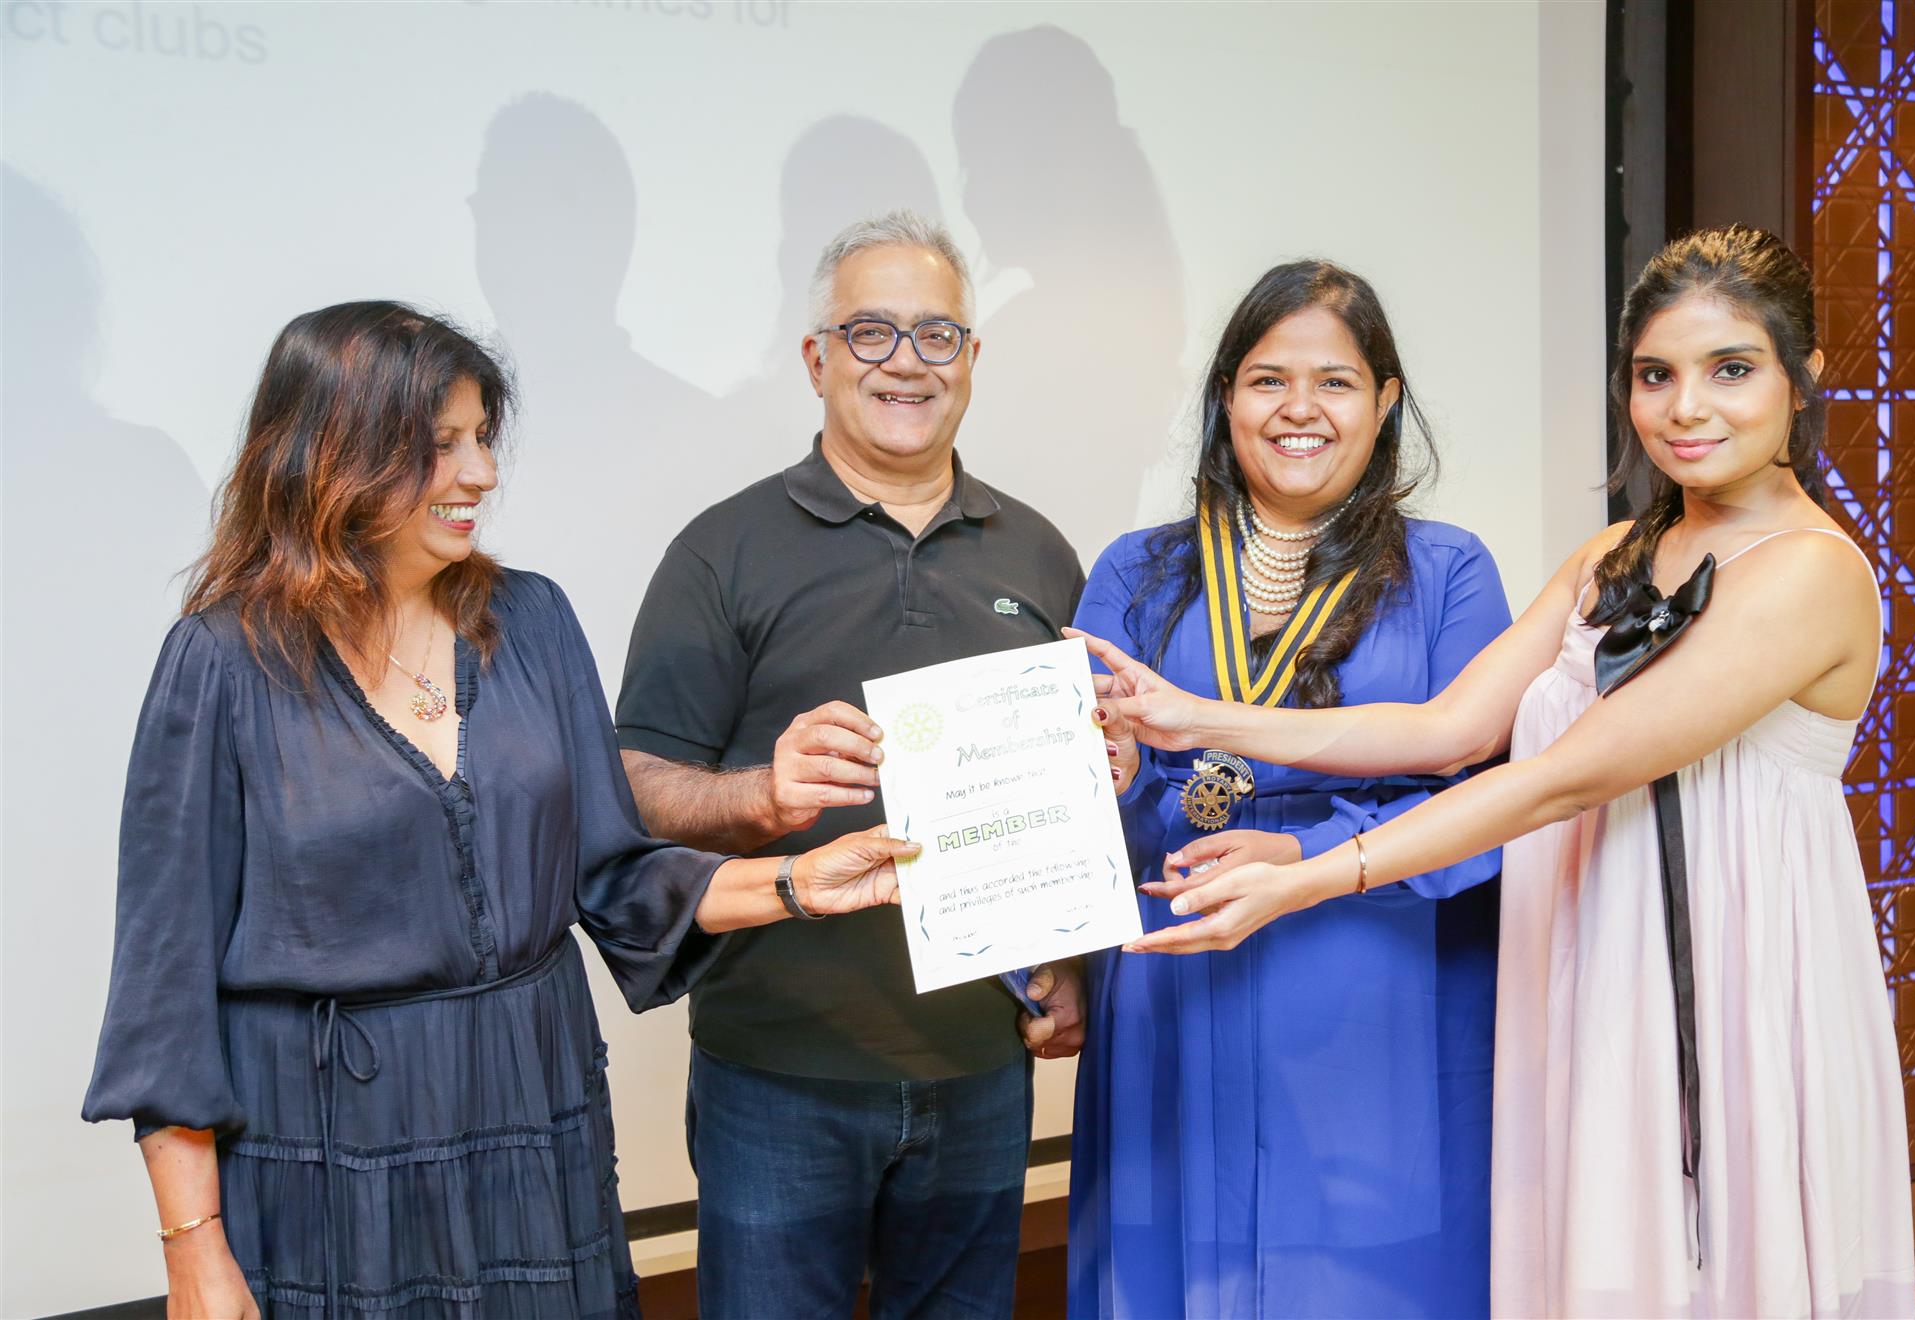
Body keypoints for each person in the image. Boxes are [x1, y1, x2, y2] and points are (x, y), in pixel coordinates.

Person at [1078, 226, 1915, 1317]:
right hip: (1594, 942)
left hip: (1731, 955)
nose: (1687, 408)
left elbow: (1559, 780)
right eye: (1656, 375)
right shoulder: (1613, 552)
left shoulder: (1808, 572)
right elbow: (1445, 728)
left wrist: (1307, 874)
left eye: (1732, 370)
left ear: (1805, 380)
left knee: (1721, 1252)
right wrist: (1195, 715)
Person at [81, 302, 917, 1320]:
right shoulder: (221, 664)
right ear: (333, 454)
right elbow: (163, 988)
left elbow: (614, 878)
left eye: (482, 438)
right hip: (328, 1154)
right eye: (440, 445)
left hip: (529, 1115)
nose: (480, 472)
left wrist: (795, 885)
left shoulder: (531, 622)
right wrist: (193, 1251)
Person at [614, 211, 1086, 1319]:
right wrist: (761, 797)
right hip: (779, 1072)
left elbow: (1065, 795)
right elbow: (635, 784)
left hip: (981, 1064)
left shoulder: (1041, 553)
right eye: (871, 333)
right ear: (818, 359)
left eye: (935, 336)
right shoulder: (720, 553)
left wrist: (1072, 963)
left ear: (972, 360)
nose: (904, 364)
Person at [1066, 260, 1510, 1319]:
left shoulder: (1450, 573)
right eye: (1268, 379)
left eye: (1337, 382)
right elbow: (1079, 796)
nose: (1299, 409)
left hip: (1375, 983)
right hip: (1176, 974)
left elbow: (1497, 805)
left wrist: (1307, 857)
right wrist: (1108, 779)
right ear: (1227, 397)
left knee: (1371, 1279)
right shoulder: (1136, 571)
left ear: (1386, 400)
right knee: (1171, 1270)